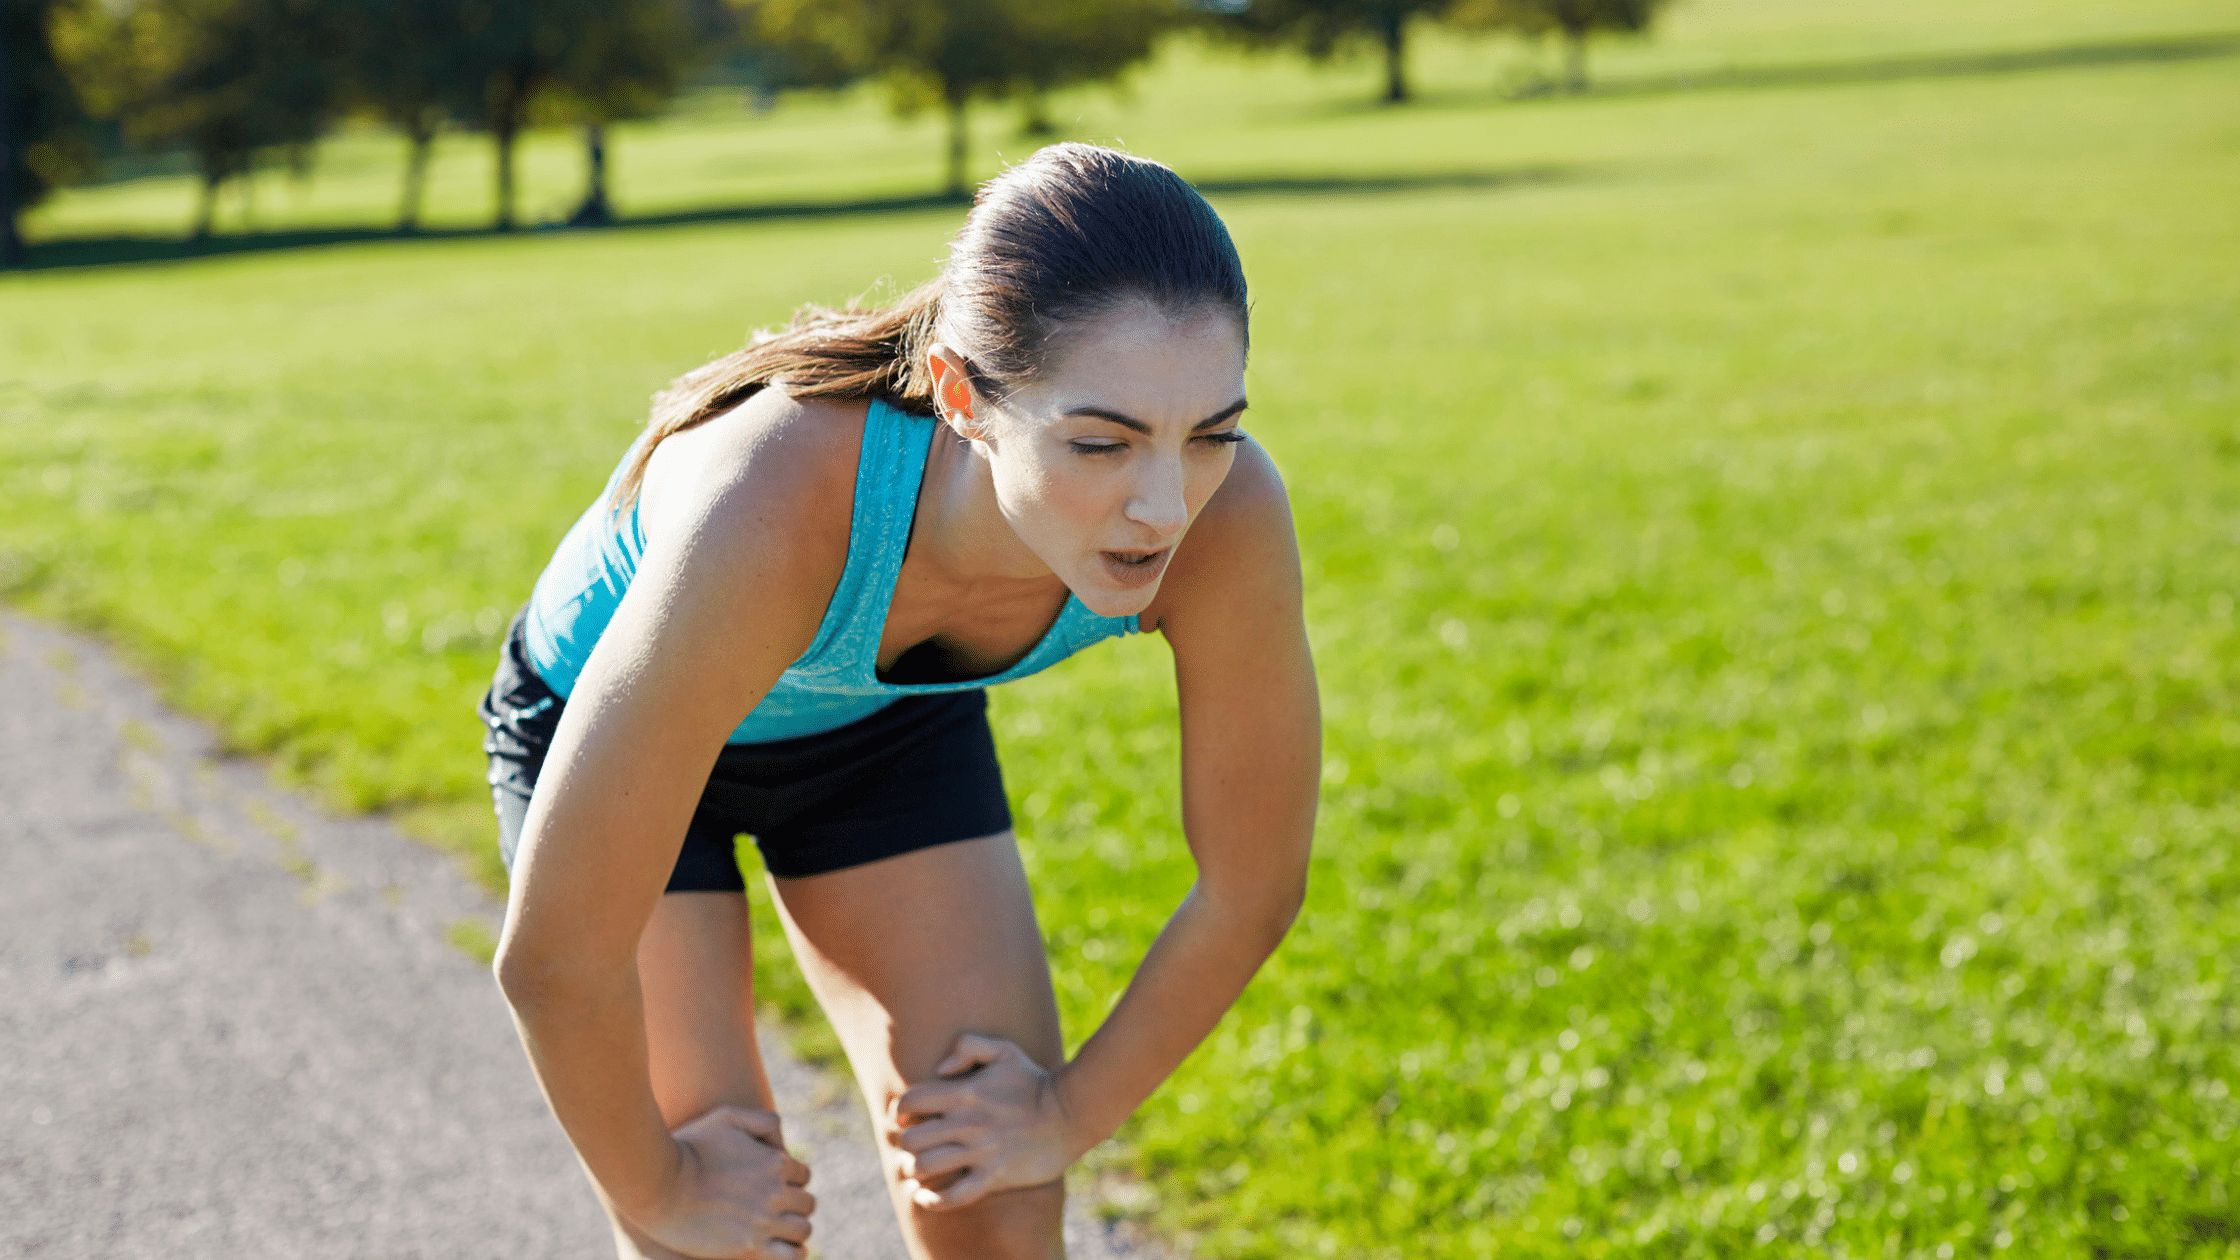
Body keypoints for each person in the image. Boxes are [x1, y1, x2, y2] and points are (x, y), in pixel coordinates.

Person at [477, 142, 1319, 1260]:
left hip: (877, 734)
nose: (1162, 505)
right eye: (1100, 442)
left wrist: (1062, 1118)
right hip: (614, 730)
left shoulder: (1228, 517)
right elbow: (555, 959)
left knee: (992, 1188)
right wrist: (657, 1192)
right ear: (962, 395)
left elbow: (1248, 887)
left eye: (1208, 432)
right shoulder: (772, 501)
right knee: (720, 1230)